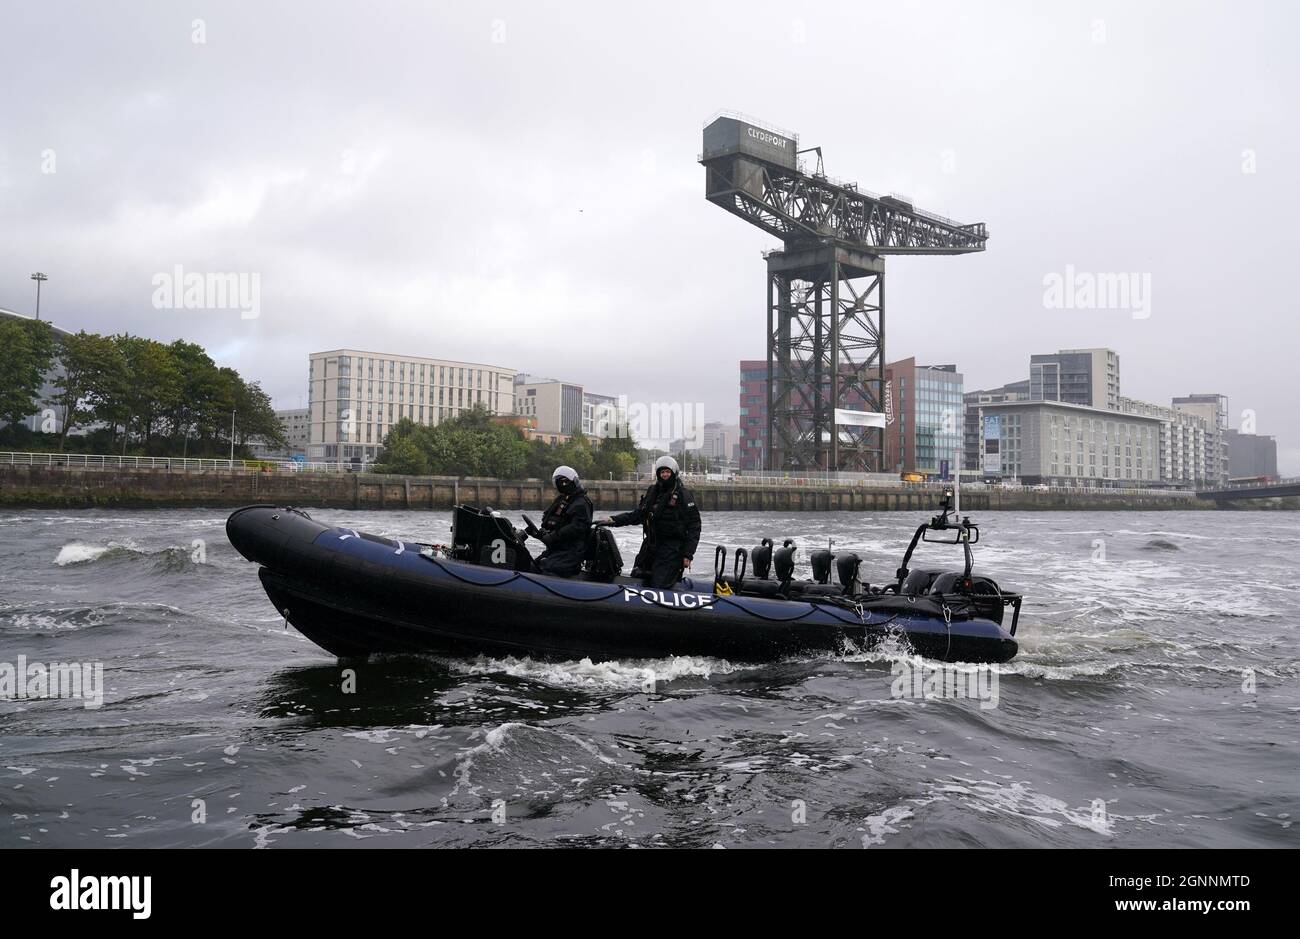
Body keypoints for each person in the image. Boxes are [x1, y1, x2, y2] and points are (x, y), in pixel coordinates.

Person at [596, 455, 700, 589]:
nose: (665, 475)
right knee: (637, 575)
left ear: (674, 473)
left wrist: (688, 554)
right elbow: (639, 515)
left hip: (672, 548)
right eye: (662, 472)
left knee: (659, 583)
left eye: (668, 472)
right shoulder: (653, 492)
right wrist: (614, 520)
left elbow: (694, 526)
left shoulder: (683, 495)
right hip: (651, 545)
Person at [527, 465, 593, 577]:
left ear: (565, 482)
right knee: (532, 566)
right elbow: (550, 520)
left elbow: (577, 528)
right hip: (557, 549)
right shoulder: (563, 499)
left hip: (570, 553)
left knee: (547, 569)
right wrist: (540, 534)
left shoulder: (581, 503)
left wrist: (553, 536)